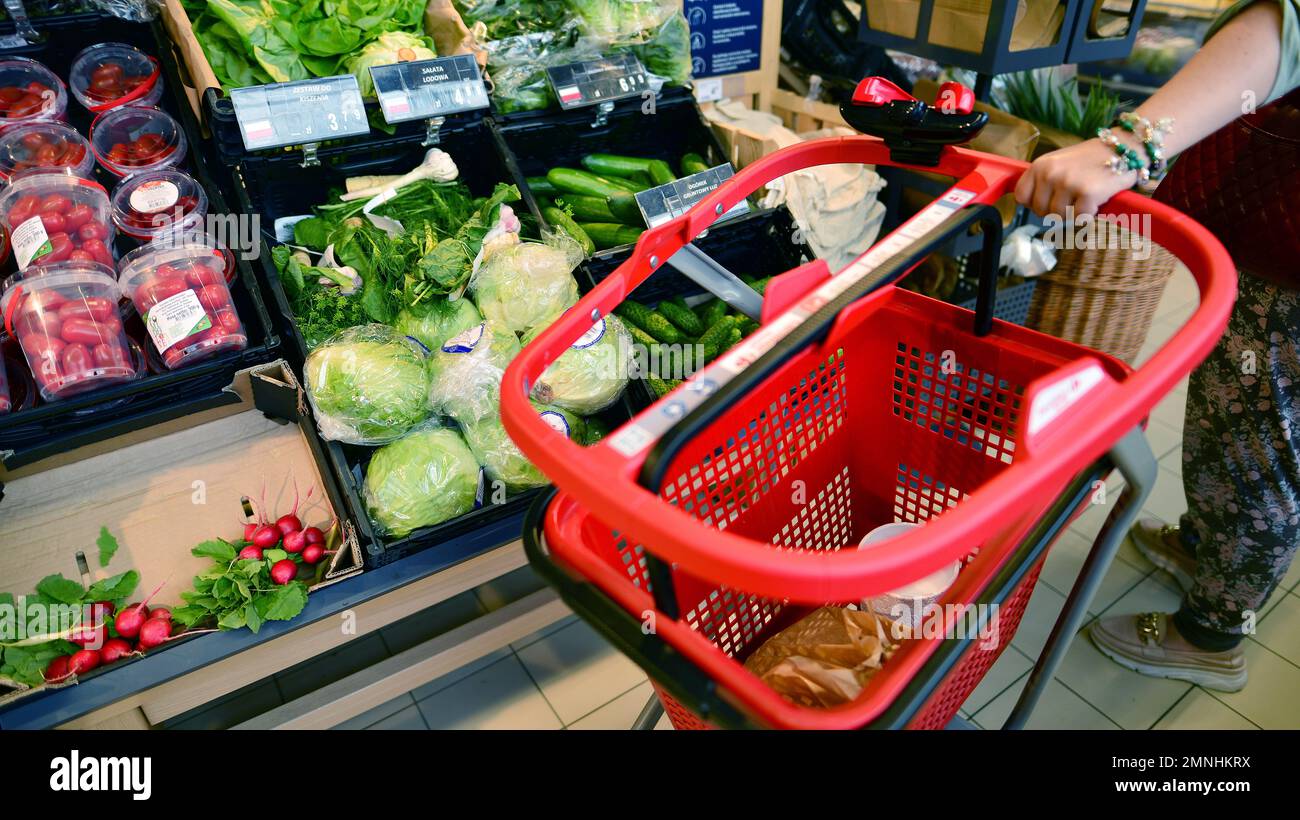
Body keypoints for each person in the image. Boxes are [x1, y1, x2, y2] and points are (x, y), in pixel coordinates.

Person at [1014, 0, 1299, 692]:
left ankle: (1214, 633)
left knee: (1262, 450)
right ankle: (1208, 547)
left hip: (1290, 276)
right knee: (1229, 417)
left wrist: (1125, 148)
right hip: (1271, 266)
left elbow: (1288, 28)